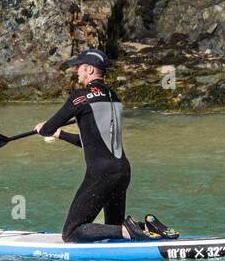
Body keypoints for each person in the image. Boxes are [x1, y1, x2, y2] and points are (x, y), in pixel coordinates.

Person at [35, 49, 157, 242]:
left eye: (79, 67)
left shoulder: (79, 97)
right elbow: (93, 141)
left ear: (90, 70)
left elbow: (48, 128)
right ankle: (145, 227)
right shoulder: (114, 97)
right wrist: (62, 134)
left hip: (102, 173)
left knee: (72, 232)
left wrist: (44, 129)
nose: (76, 72)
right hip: (122, 171)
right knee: (113, 231)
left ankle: (127, 230)